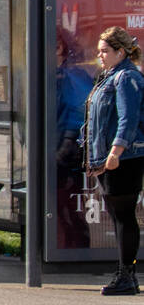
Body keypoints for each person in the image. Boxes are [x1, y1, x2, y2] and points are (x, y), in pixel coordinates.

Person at [83, 27, 144, 295]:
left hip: (123, 158)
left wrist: (115, 152)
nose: (100, 55)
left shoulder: (127, 78)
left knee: (124, 215)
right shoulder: (108, 76)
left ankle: (127, 275)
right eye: (99, 51)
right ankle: (125, 272)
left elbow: (128, 119)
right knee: (119, 215)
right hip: (108, 157)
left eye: (105, 51)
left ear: (120, 52)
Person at [55, 29, 94, 249]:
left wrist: (63, 151)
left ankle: (76, 250)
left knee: (69, 208)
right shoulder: (57, 75)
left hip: (66, 155)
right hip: (58, 151)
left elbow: (79, 115)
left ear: (59, 48)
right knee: (62, 210)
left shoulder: (71, 76)